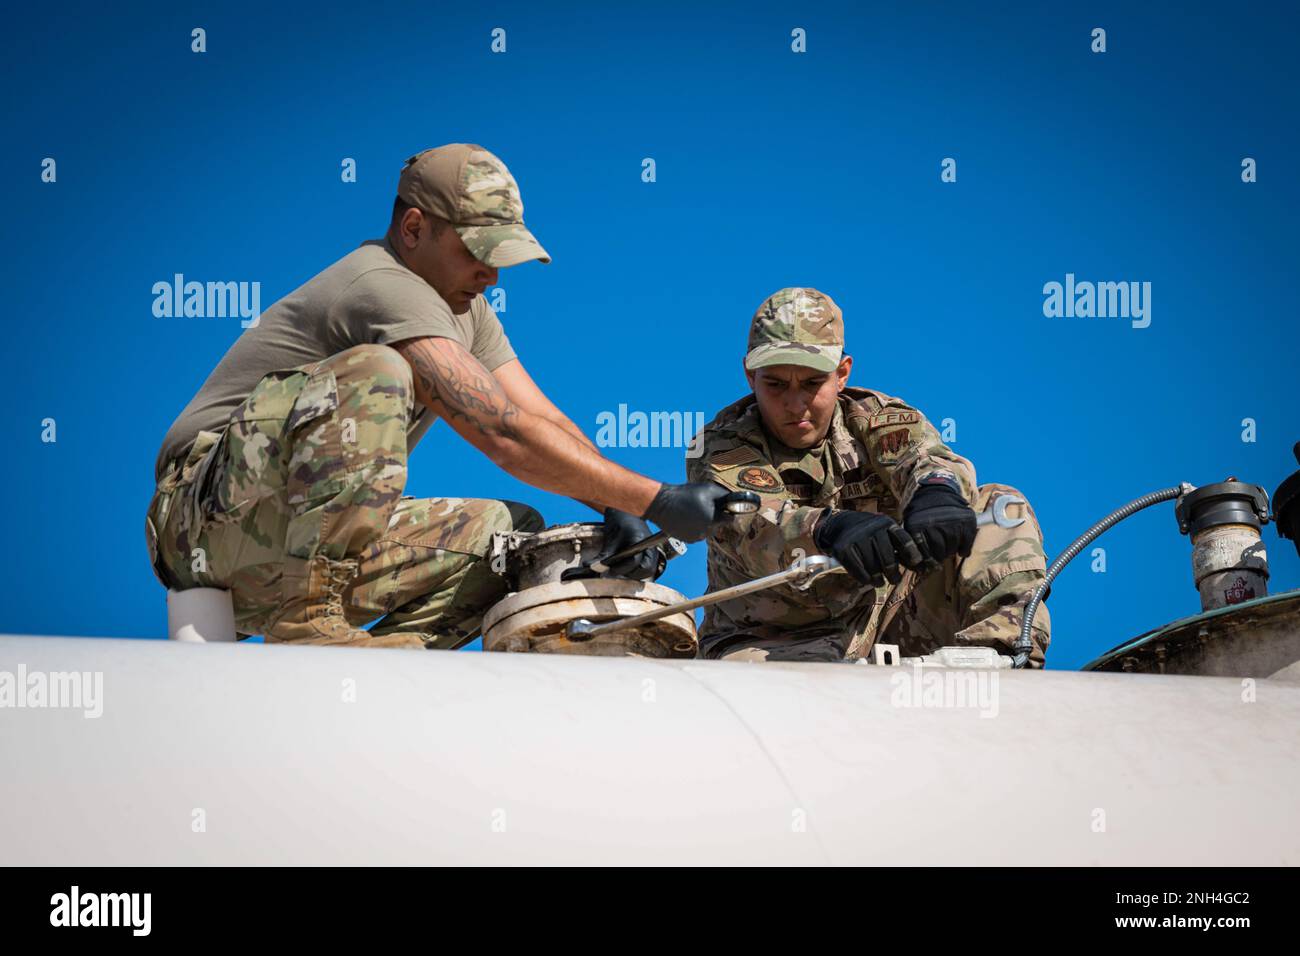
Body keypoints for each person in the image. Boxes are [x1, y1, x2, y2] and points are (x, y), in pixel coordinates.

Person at [146, 143, 728, 649]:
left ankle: (378, 668)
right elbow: (502, 432)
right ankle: (308, 620)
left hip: (293, 549)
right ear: (415, 228)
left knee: (514, 542)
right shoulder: (382, 285)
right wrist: (655, 498)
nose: (492, 275)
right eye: (477, 251)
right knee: (378, 371)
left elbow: (536, 414)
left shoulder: (465, 309)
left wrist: (615, 506)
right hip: (202, 521)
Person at [687, 287, 1051, 665]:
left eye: (812, 383)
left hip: (893, 623)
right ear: (750, 376)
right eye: (775, 384)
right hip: (773, 642)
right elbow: (750, 523)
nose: (795, 405)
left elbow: (927, 459)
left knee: (999, 504)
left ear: (842, 374)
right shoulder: (721, 446)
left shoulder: (877, 420)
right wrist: (827, 530)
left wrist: (936, 493)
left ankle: (1003, 659)